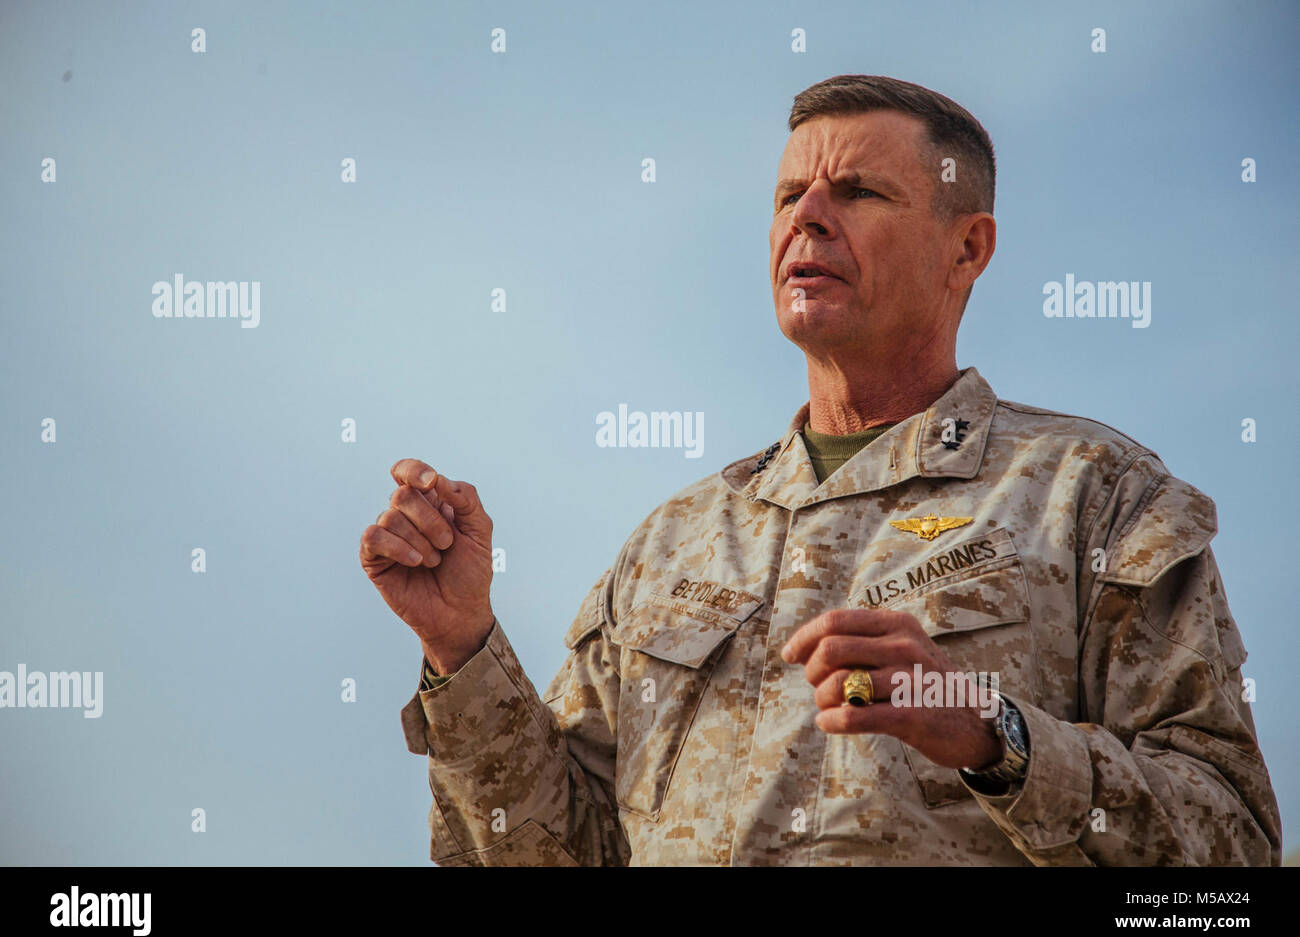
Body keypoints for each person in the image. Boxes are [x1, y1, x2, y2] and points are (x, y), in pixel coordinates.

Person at [360, 75, 1281, 866]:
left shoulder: (1096, 495)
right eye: (789, 194)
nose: (807, 217)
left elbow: (1225, 861)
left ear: (967, 248)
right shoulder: (673, 542)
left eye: (858, 192)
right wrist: (464, 649)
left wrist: (990, 736)